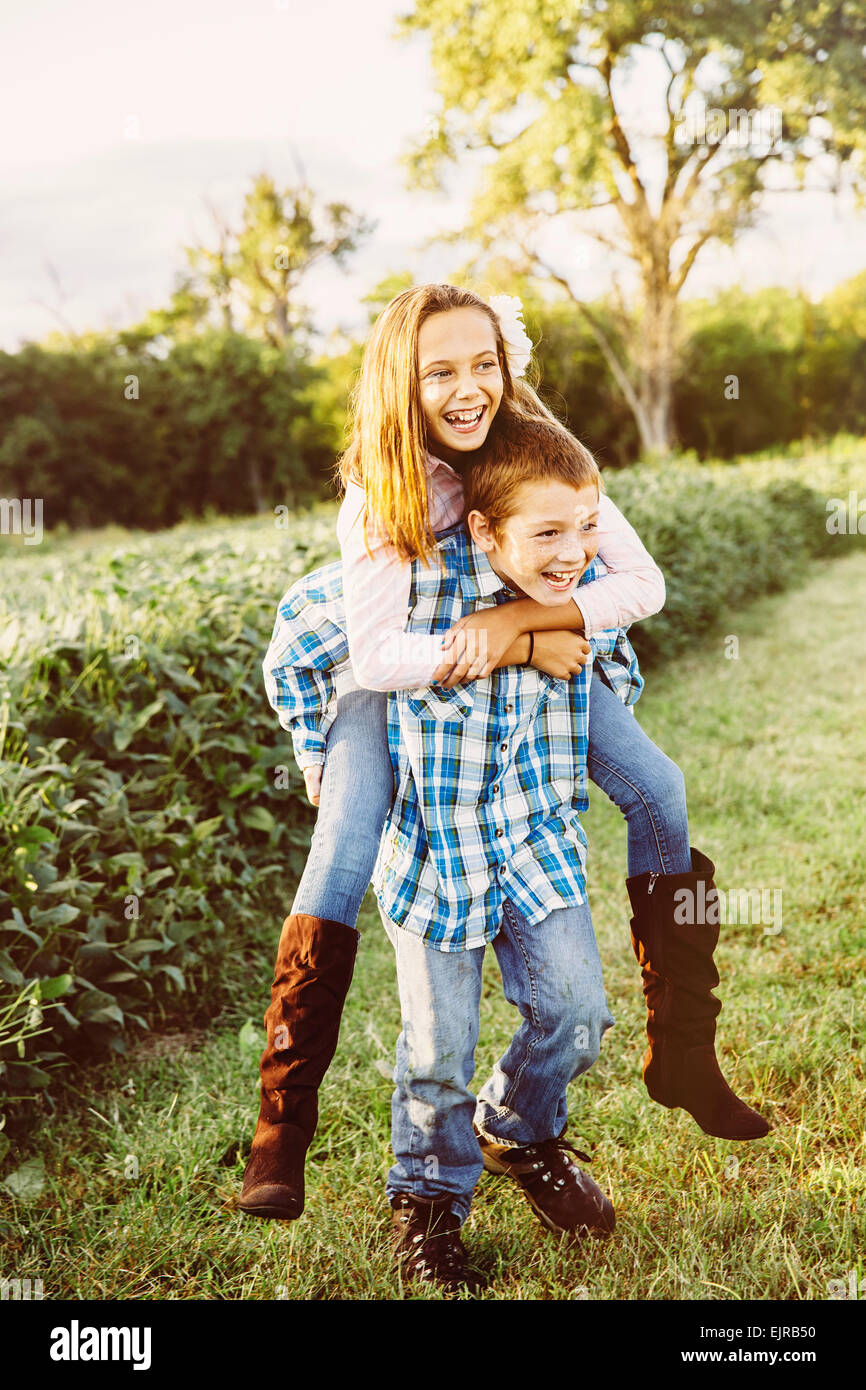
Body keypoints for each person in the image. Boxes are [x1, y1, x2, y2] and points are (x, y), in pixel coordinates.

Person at [237, 285, 768, 1225]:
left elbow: (638, 581)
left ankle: (680, 1043)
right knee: (346, 835)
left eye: (484, 363)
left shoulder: (531, 445)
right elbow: (376, 654)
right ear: (402, 382)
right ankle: (291, 1118)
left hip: (523, 645)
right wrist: (519, 640)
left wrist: (525, 617)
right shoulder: (384, 488)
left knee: (657, 786)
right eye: (440, 370)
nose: (468, 387)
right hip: (385, 667)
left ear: (507, 365)